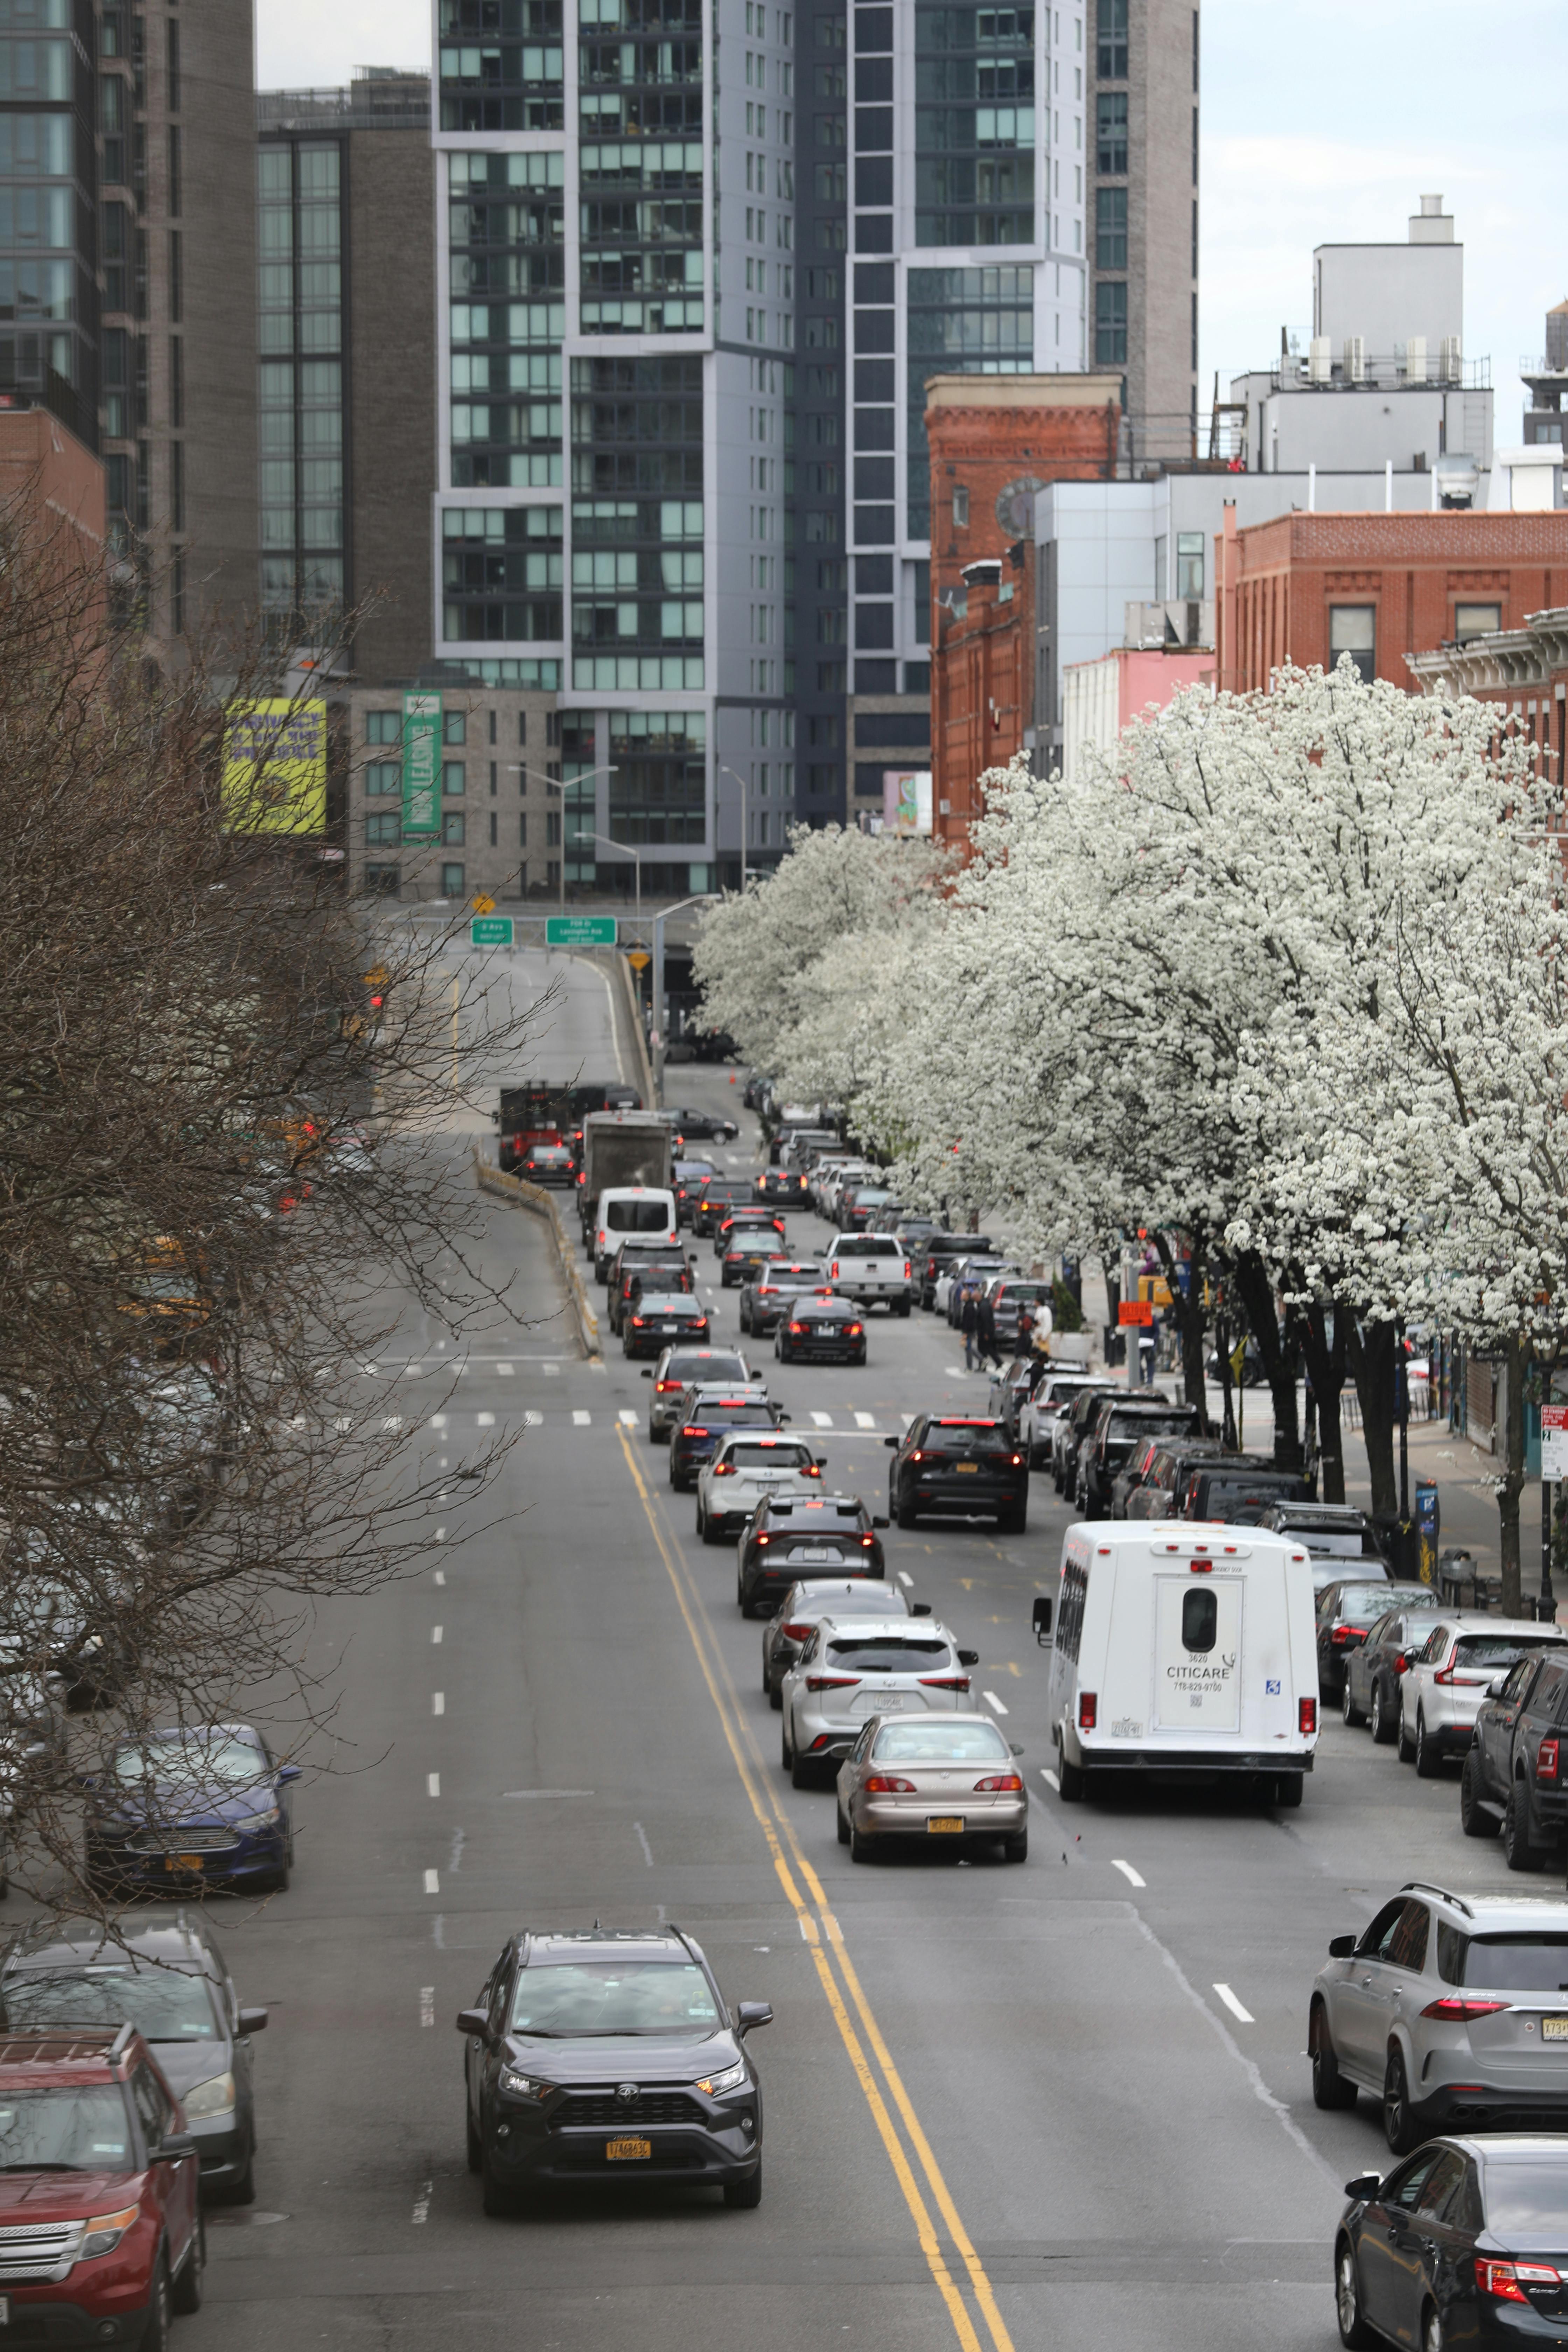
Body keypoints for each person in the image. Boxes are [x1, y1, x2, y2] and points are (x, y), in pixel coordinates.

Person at [976, 1291, 1003, 1371]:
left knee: (985, 1350)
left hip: (985, 1332)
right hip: (985, 1332)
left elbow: (986, 1320)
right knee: (987, 1349)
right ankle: (988, 1365)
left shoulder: (984, 1306)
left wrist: (986, 1333)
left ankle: (997, 1363)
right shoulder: (983, 1304)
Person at [960, 1287, 980, 1371]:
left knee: (968, 1348)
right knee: (968, 1347)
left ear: (967, 1296)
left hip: (969, 1331)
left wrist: (966, 1333)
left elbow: (968, 1321)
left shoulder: (969, 1307)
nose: (961, 1296)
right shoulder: (968, 1305)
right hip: (968, 1331)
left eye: (963, 1295)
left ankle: (970, 1367)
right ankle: (981, 1359)